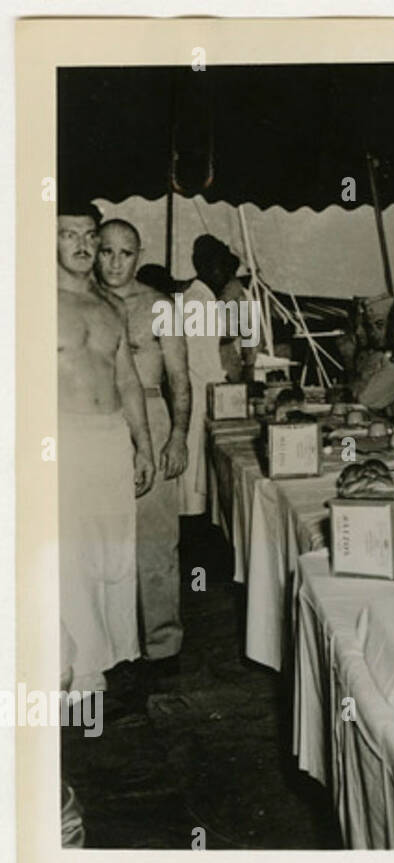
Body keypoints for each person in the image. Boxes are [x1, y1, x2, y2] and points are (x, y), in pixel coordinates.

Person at [57, 199, 154, 694]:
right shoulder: (33, 302)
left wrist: (143, 444)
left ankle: (109, 660)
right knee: (68, 554)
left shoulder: (111, 307)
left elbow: (130, 382)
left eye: (89, 235)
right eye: (69, 234)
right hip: (63, 437)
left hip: (110, 435)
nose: (83, 245)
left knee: (111, 552)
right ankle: (77, 673)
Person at [96, 219, 190, 675]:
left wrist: (178, 436)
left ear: (138, 255)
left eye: (125, 253)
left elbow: (180, 379)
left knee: (156, 542)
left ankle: (163, 649)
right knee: (102, 540)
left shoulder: (159, 306)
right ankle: (113, 650)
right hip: (98, 424)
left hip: (152, 413)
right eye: (107, 251)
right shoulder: (81, 303)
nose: (115, 262)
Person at [178, 235, 239, 517]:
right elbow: (206, 365)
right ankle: (196, 539)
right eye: (222, 269)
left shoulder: (200, 299)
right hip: (199, 396)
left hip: (200, 394)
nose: (225, 276)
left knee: (197, 482)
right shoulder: (198, 303)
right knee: (193, 488)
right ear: (204, 267)